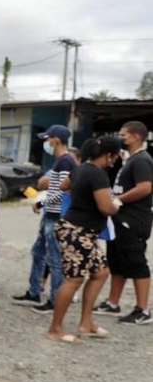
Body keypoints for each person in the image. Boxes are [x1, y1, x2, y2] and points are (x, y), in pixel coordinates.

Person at [48, 137, 122, 344]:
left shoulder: (80, 169)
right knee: (74, 279)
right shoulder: (98, 175)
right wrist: (116, 205)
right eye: (115, 156)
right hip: (78, 231)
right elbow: (106, 208)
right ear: (109, 155)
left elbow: (64, 185)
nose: (116, 160)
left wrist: (82, 196)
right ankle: (55, 328)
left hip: (81, 231)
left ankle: (86, 323)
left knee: (101, 272)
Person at [11, 124, 77, 313]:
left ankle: (55, 301)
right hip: (51, 214)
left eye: (48, 139)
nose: (46, 143)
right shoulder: (61, 161)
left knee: (55, 260)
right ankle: (34, 291)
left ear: (56, 140)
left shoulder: (65, 162)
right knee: (38, 252)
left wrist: (41, 203)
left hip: (57, 216)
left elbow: (62, 191)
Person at [94, 121, 153, 324]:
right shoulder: (129, 159)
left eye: (124, 135)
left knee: (136, 263)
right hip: (119, 219)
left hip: (133, 220)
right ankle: (113, 303)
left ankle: (143, 310)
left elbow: (145, 187)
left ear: (136, 136)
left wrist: (119, 200)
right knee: (117, 262)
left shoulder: (142, 160)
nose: (121, 139)